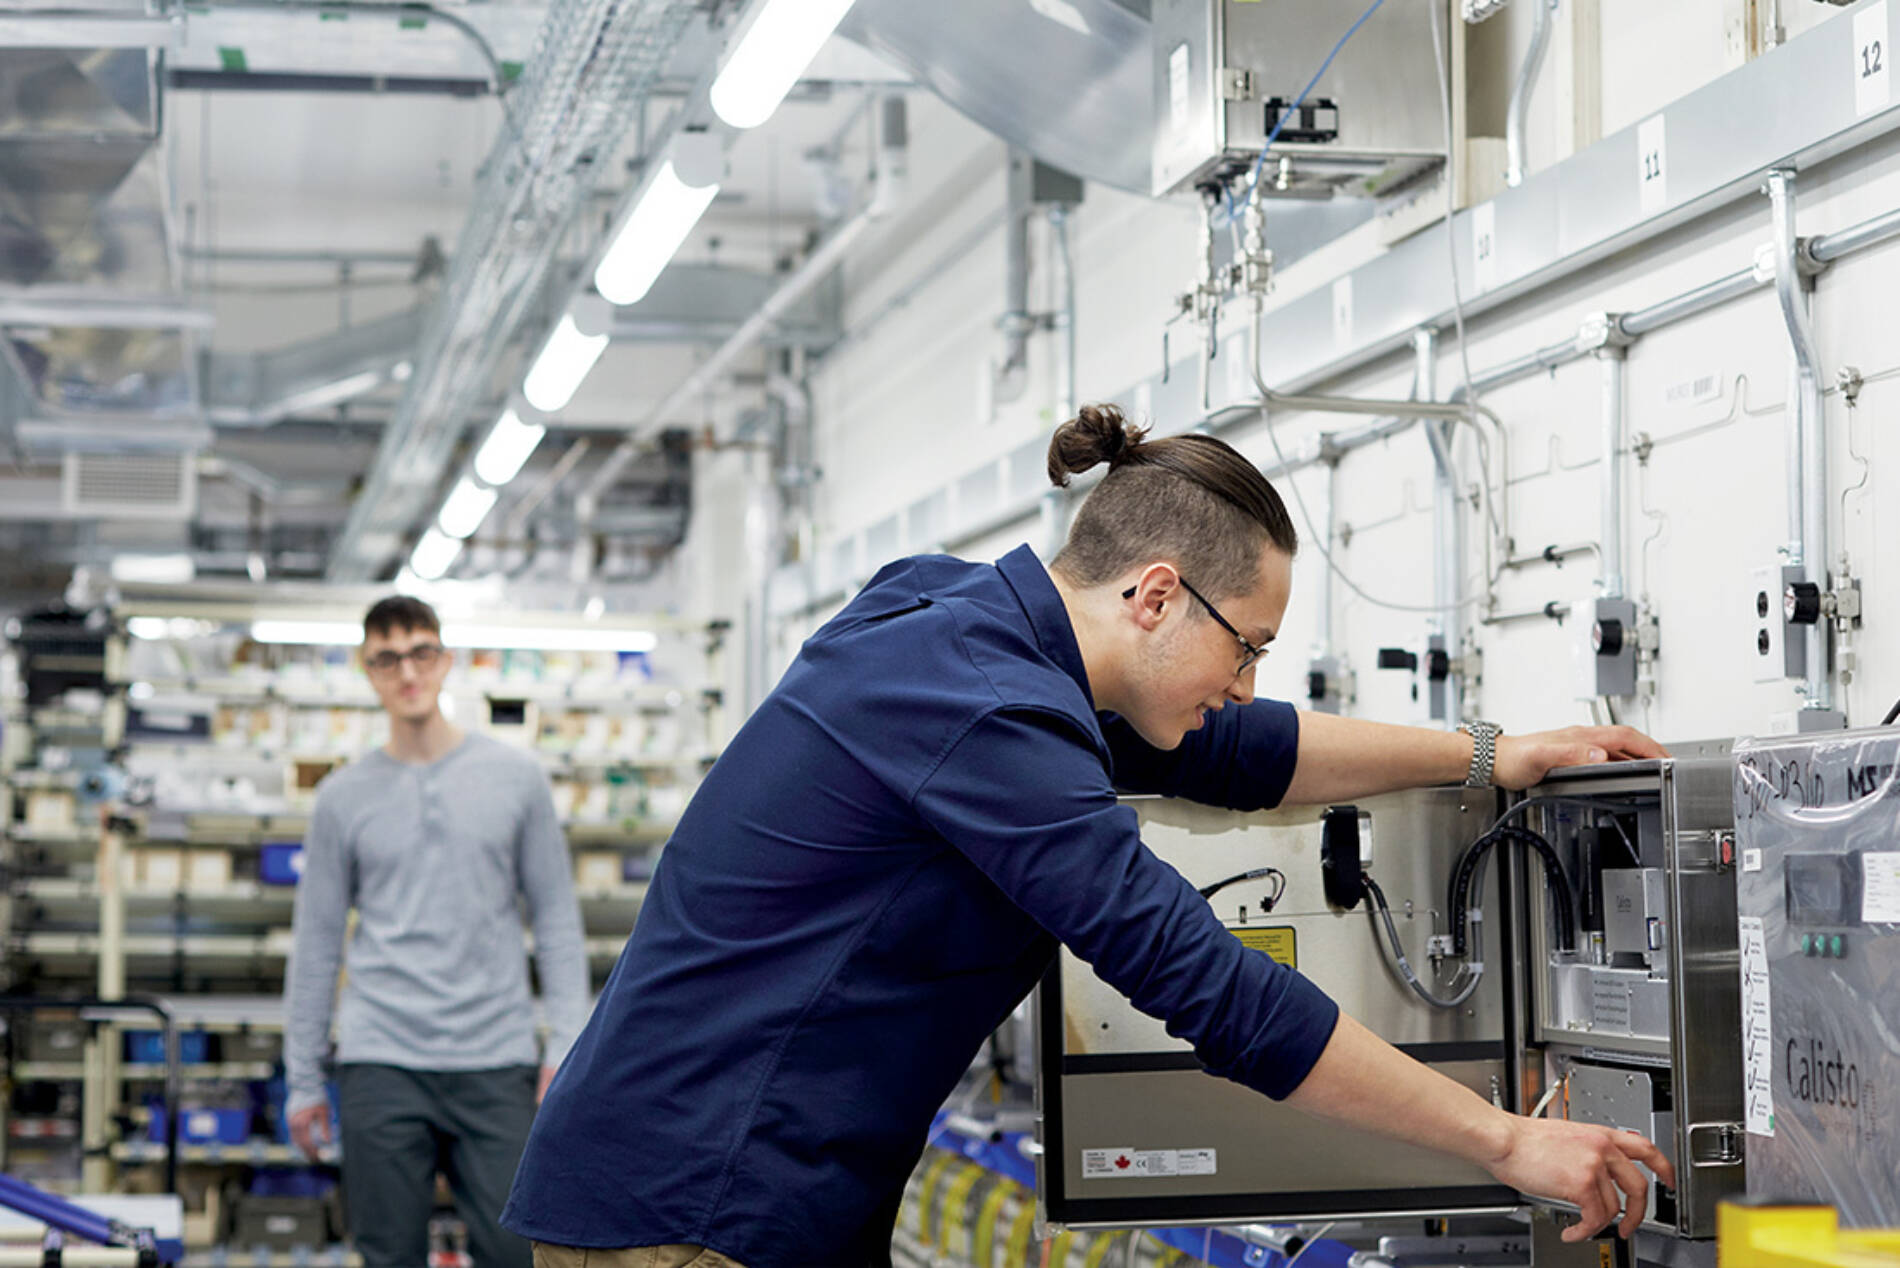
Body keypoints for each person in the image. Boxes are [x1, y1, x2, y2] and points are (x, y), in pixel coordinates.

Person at [501, 406, 1675, 1268]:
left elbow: (1233, 750)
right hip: (693, 1206)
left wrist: (1487, 754)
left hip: (738, 1191)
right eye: (1248, 642)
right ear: (1156, 596)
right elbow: (1204, 982)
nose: (1246, 674)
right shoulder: (978, 704)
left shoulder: (954, 621)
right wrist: (1505, 1142)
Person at [284, 595, 589, 1268]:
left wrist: (565, 1046)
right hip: (381, 1059)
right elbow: (316, 944)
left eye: (421, 652)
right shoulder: (342, 798)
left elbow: (558, 924)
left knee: (518, 1255)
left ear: (446, 661)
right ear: (367, 672)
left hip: (497, 1058)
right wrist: (303, 1078)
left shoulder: (517, 779)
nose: (407, 672)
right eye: (387, 659)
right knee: (388, 1254)